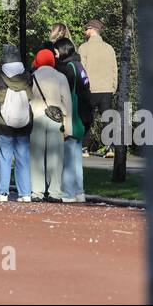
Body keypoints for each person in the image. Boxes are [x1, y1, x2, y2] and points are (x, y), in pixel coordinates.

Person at [0, 45, 34, 203]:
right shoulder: (26, 76)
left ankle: (3, 193)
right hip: (24, 121)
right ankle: (25, 193)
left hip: (3, 121)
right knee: (23, 158)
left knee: (4, 157)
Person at [28, 48, 72, 202]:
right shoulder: (61, 77)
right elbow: (67, 101)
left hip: (37, 117)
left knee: (36, 157)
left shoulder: (32, 77)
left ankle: (37, 192)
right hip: (56, 119)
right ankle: (54, 191)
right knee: (56, 157)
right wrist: (68, 126)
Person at [54, 37, 93, 203]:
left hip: (73, 114)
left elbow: (65, 93)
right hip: (83, 114)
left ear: (62, 50)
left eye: (56, 51)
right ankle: (79, 191)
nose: (55, 55)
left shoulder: (68, 69)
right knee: (76, 156)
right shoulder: (79, 65)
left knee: (69, 156)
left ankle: (69, 192)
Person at [78, 19, 118, 156]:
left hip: (90, 89)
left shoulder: (84, 48)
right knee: (107, 118)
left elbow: (81, 70)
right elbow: (114, 69)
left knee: (87, 118)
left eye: (86, 29)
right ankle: (110, 147)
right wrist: (114, 86)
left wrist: (80, 88)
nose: (85, 32)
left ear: (91, 29)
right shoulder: (109, 48)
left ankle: (84, 148)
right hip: (106, 88)